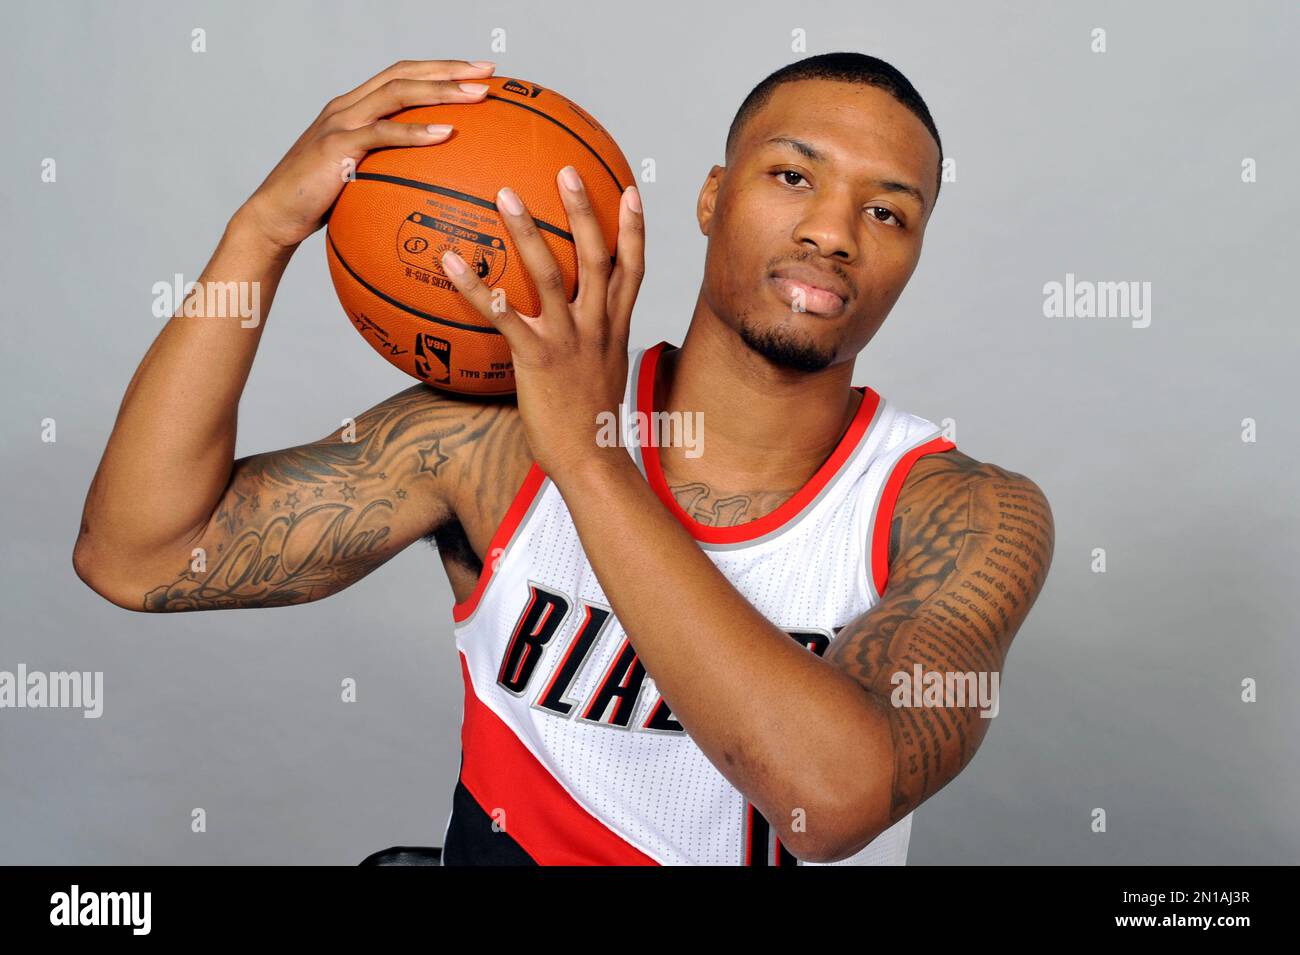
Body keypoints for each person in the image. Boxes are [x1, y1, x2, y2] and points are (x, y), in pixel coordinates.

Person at [73, 52, 1054, 865]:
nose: (830, 233)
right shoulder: (488, 441)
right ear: (712, 198)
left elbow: (829, 802)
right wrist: (261, 233)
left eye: (888, 212)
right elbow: (139, 554)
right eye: (791, 175)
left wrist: (589, 462)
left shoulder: (962, 513)